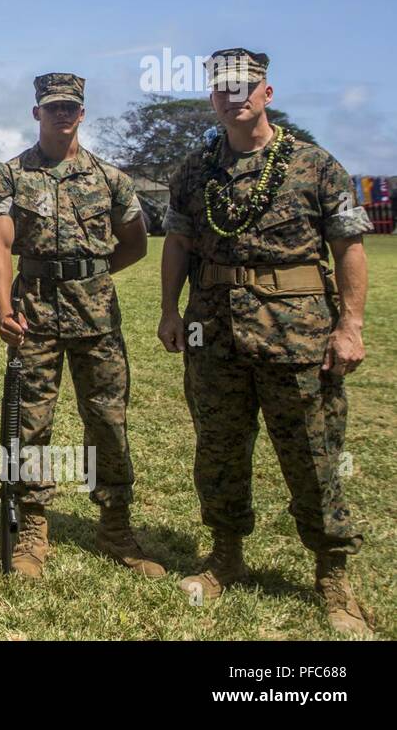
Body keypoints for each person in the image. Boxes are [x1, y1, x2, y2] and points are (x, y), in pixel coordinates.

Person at [159, 48, 373, 635]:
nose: (235, 97)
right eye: (223, 88)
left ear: (267, 92)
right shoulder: (195, 169)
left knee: (313, 454)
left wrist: (350, 325)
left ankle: (333, 576)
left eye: (245, 86)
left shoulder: (313, 164)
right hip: (214, 333)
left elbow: (349, 245)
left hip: (297, 336)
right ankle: (225, 557)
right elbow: (176, 241)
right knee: (220, 450)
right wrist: (169, 311)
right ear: (212, 98)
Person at [0, 72, 161, 580]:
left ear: (82, 113)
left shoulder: (110, 178)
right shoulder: (9, 176)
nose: (62, 114)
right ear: (36, 112)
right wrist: (2, 308)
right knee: (31, 424)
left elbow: (135, 243)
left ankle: (116, 525)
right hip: (33, 314)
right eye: (53, 106)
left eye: (71, 107)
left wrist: (89, 274)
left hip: (97, 318)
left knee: (107, 421)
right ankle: (33, 528)